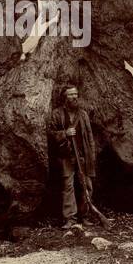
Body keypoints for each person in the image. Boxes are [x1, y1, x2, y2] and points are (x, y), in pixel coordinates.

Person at [47, 85, 97, 228]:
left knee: (86, 186)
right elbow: (50, 133)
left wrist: (91, 156)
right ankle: (70, 219)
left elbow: (90, 137)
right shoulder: (57, 114)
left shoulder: (83, 115)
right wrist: (64, 134)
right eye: (70, 95)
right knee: (68, 186)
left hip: (83, 156)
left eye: (75, 94)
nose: (74, 97)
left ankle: (86, 216)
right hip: (66, 157)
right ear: (65, 97)